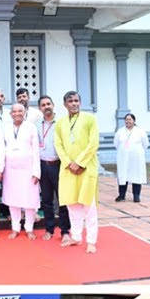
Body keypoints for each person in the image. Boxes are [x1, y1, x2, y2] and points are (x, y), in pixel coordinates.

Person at [55, 90, 101, 253]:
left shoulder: (90, 119)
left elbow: (93, 143)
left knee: (88, 205)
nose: (74, 104)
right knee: (72, 204)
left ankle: (91, 241)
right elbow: (58, 145)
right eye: (70, 101)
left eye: (76, 101)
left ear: (80, 102)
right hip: (68, 170)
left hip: (86, 168)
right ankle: (75, 236)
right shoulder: (60, 123)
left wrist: (80, 163)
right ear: (64, 104)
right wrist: (69, 163)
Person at [0, 103, 41, 240]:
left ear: (24, 113)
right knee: (13, 200)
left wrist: (36, 172)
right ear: (10, 114)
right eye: (14, 111)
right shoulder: (5, 128)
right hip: (10, 170)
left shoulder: (31, 127)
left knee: (29, 200)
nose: (17, 114)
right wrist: (0, 169)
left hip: (28, 169)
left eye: (20, 111)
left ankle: (29, 228)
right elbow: (2, 150)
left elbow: (36, 150)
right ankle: (15, 228)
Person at [35, 95, 70, 240]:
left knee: (63, 199)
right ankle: (49, 229)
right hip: (43, 165)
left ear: (53, 105)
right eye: (43, 105)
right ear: (40, 108)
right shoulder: (37, 124)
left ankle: (65, 231)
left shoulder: (62, 122)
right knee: (46, 199)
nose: (46, 107)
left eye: (48, 104)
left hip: (58, 165)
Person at [114, 113, 149, 202]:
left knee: (136, 176)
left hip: (136, 158)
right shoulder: (120, 132)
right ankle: (122, 195)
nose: (128, 121)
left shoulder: (140, 132)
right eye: (126, 119)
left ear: (134, 121)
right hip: (123, 158)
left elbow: (145, 144)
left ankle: (136, 196)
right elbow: (116, 144)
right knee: (123, 176)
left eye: (130, 119)